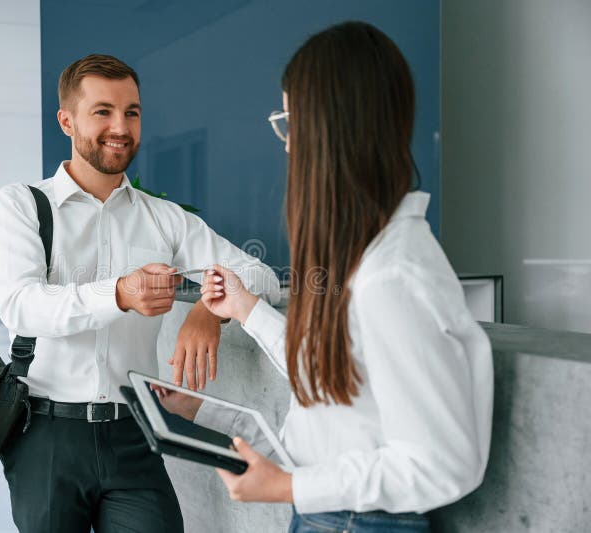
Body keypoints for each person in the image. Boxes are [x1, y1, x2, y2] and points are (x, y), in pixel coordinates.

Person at [168, 22, 494, 532]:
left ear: (331, 128)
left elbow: (441, 464)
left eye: (290, 123)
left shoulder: (391, 277)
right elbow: (331, 378)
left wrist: (290, 486)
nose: (287, 146)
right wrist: (246, 310)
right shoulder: (368, 257)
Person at [0, 54, 280, 533]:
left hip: (134, 435)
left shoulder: (165, 218)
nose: (120, 127)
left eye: (132, 112)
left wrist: (210, 309)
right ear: (67, 121)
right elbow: (22, 307)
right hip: (45, 435)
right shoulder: (21, 206)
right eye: (102, 111)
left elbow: (260, 274)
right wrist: (119, 293)